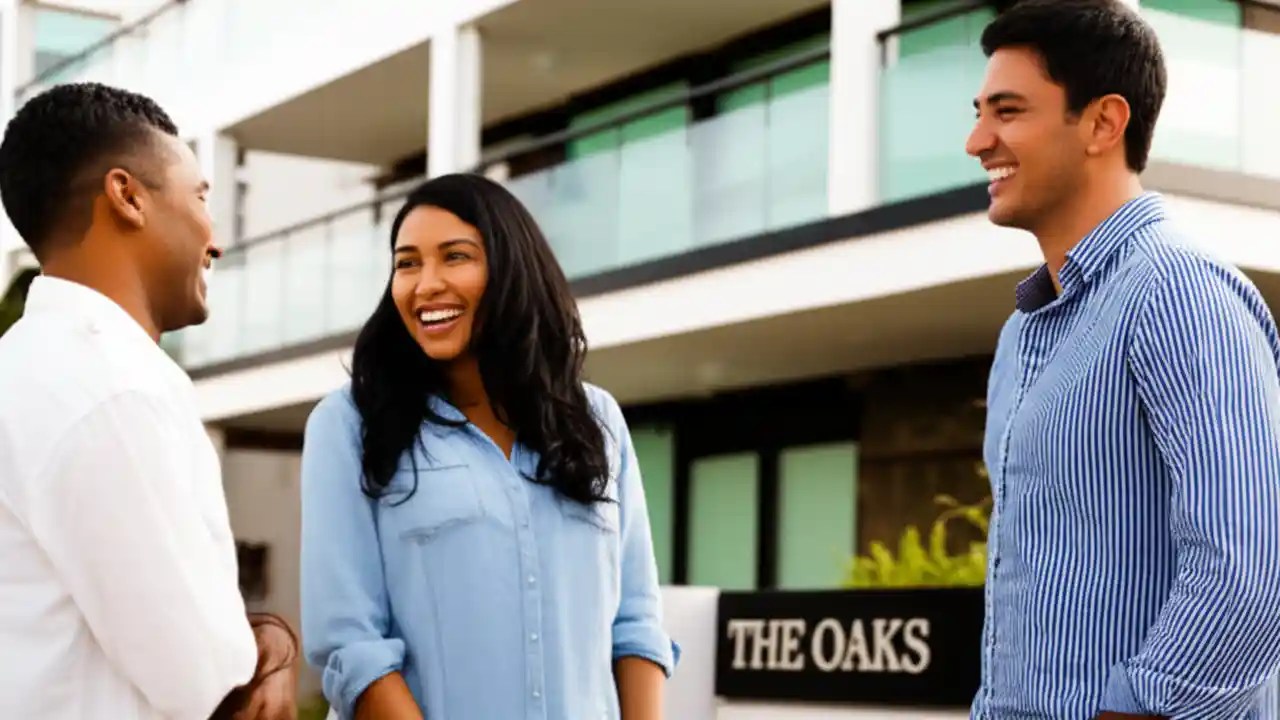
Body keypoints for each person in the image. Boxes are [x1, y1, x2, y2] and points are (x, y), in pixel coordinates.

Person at [966, 1, 1280, 719]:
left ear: (1104, 123)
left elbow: (1253, 568)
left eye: (1007, 112)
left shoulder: (1179, 293)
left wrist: (1133, 707)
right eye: (980, 112)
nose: (977, 140)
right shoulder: (1023, 332)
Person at [300, 173, 678, 719]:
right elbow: (352, 644)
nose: (425, 284)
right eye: (407, 263)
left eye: (455, 257)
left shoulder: (597, 420)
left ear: (511, 269)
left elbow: (636, 623)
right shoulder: (348, 424)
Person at [0, 82, 297, 719]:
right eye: (201, 198)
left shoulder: (29, 367)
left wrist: (263, 636)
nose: (213, 238)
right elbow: (212, 684)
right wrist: (273, 645)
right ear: (127, 196)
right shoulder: (108, 391)